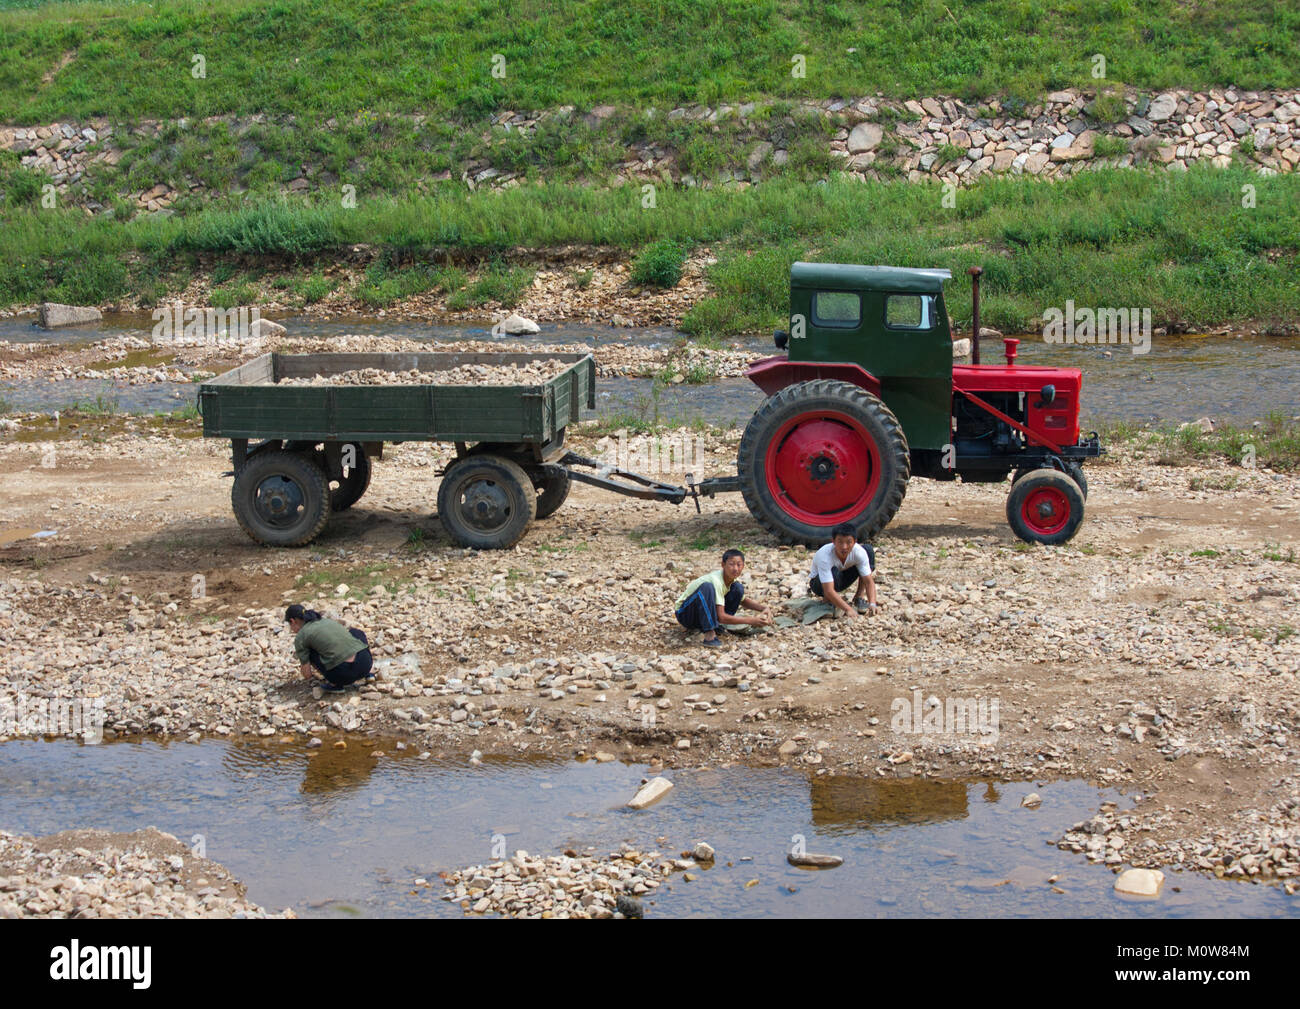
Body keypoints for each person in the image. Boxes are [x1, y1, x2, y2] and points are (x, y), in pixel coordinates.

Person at [674, 548, 773, 646]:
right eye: (731, 564)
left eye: (739, 565)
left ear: (743, 566)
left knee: (738, 588)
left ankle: (715, 625)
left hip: (699, 616)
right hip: (685, 614)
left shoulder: (730, 581)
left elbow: (743, 600)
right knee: (707, 587)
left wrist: (764, 608)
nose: (735, 568)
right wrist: (751, 620)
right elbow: (721, 616)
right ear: (723, 565)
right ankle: (709, 633)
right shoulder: (716, 580)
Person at [285, 604, 374, 691]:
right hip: (365, 664)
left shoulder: (301, 636)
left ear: (293, 621)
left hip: (343, 675)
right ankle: (368, 675)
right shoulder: (326, 621)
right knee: (356, 632)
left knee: (310, 651)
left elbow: (307, 675)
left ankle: (336, 685)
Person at [809, 523, 880, 618]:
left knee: (868, 550)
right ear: (833, 541)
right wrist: (848, 609)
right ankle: (828, 601)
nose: (844, 547)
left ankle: (859, 597)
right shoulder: (824, 555)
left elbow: (868, 581)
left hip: (841, 578)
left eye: (849, 542)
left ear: (855, 542)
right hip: (819, 584)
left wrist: (872, 603)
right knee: (833, 572)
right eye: (840, 542)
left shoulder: (859, 552)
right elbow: (828, 590)